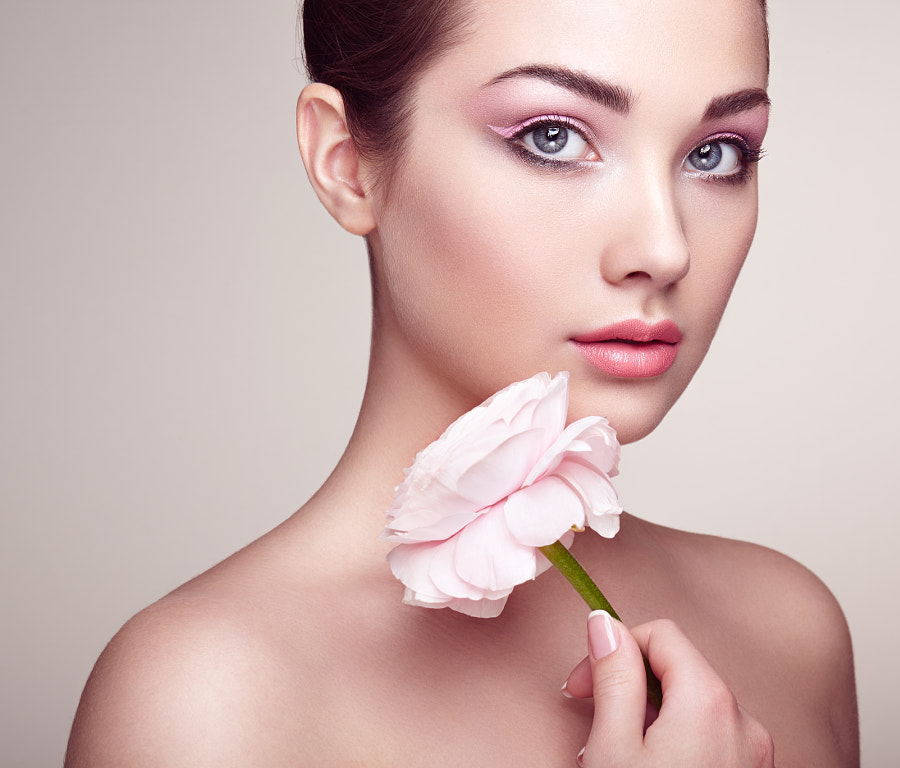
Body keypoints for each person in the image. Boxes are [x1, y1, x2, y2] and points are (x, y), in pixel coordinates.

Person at [65, 0, 858, 765]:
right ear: (345, 163)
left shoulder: (789, 627)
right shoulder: (206, 698)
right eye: (553, 136)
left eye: (717, 153)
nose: (664, 247)